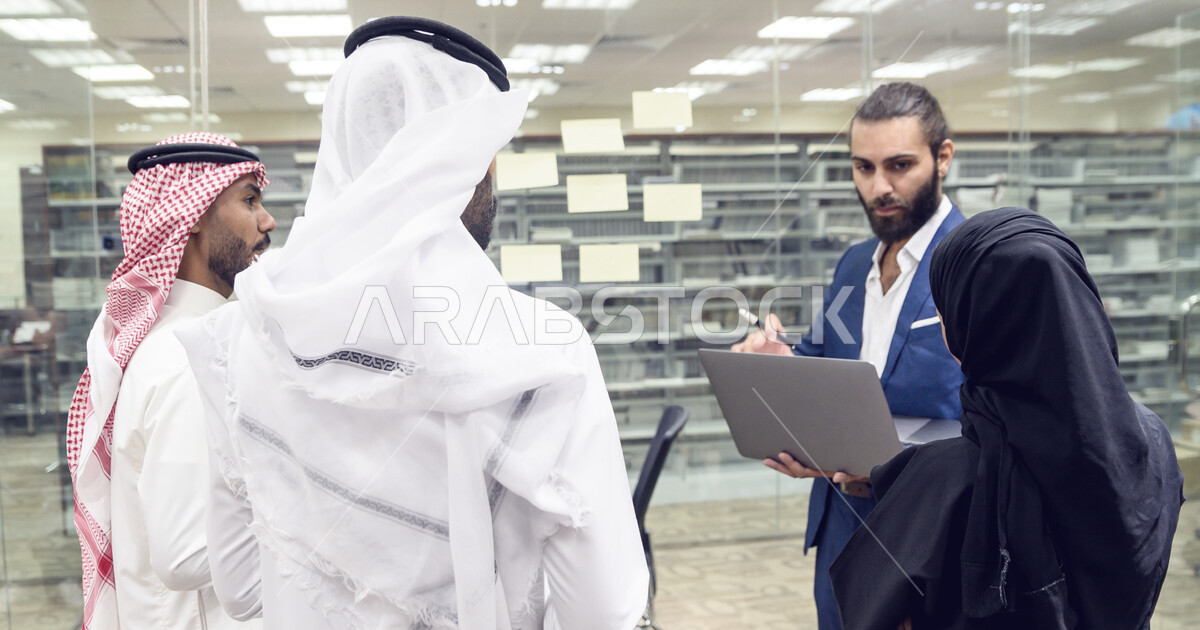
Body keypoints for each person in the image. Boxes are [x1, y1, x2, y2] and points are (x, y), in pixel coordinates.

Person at [174, 17, 648, 630]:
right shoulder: (545, 348)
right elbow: (604, 610)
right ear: (467, 157)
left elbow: (241, 590)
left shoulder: (242, 337)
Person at [830, 207, 1184, 630]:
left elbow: (869, 606)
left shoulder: (944, 478)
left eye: (944, 312)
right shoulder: (1153, 440)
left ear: (968, 328)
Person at [731, 81, 966, 630]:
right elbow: (825, 360)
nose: (880, 187)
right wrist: (779, 361)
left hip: (933, 541)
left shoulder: (980, 261)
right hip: (843, 528)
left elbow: (1005, 420)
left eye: (900, 165)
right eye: (864, 168)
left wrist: (888, 466)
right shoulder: (855, 263)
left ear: (942, 158)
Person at [66, 133, 275, 629]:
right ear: (194, 214)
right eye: (249, 200)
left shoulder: (176, 341)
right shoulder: (186, 360)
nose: (267, 221)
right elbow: (185, 555)